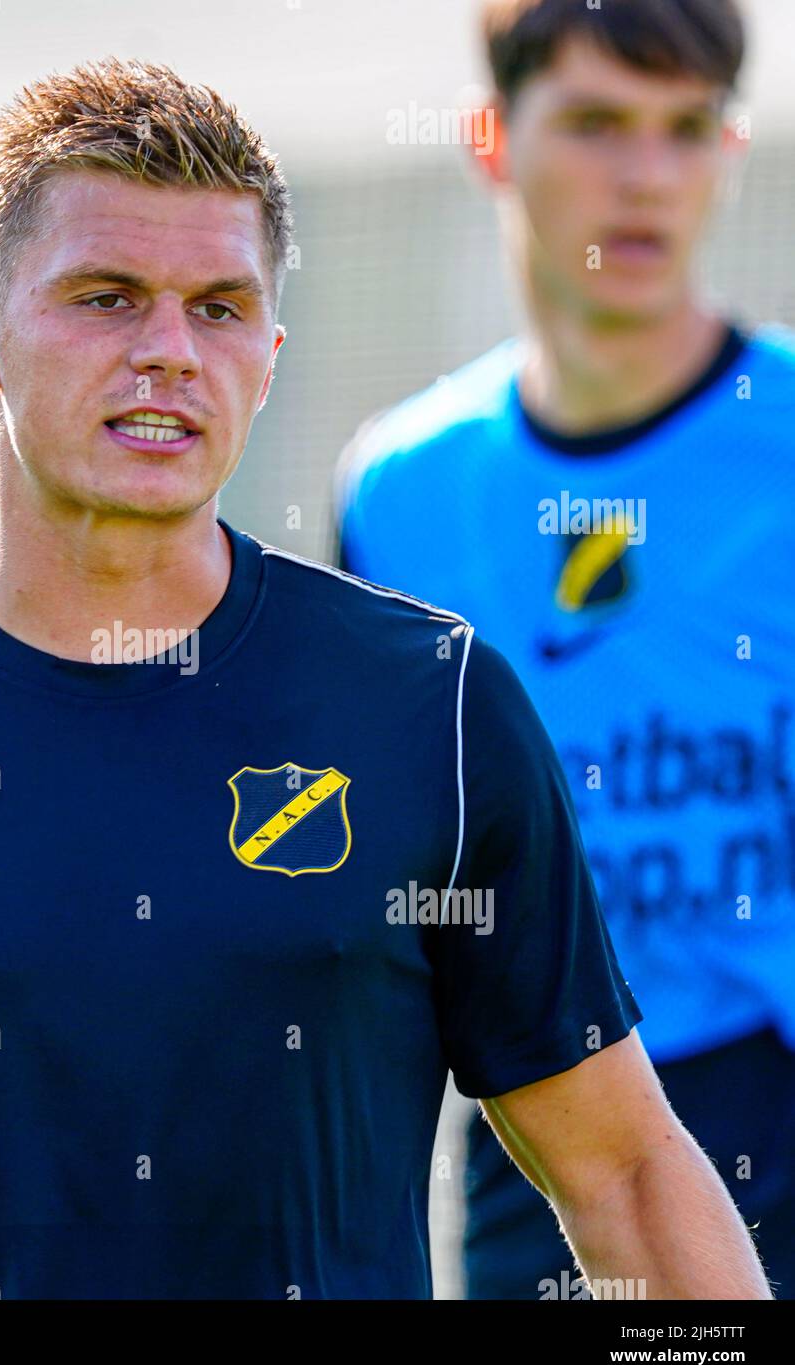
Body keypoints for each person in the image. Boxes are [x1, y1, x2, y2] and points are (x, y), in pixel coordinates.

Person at [0, 55, 771, 1301]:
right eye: (106, 296)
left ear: (269, 350)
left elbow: (622, 1171)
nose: (169, 350)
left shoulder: (431, 704)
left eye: (217, 306)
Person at [334, 0, 794, 1299]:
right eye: (597, 124)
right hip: (541, 1129)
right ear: (492, 138)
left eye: (687, 130)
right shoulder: (402, 487)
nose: (647, 176)